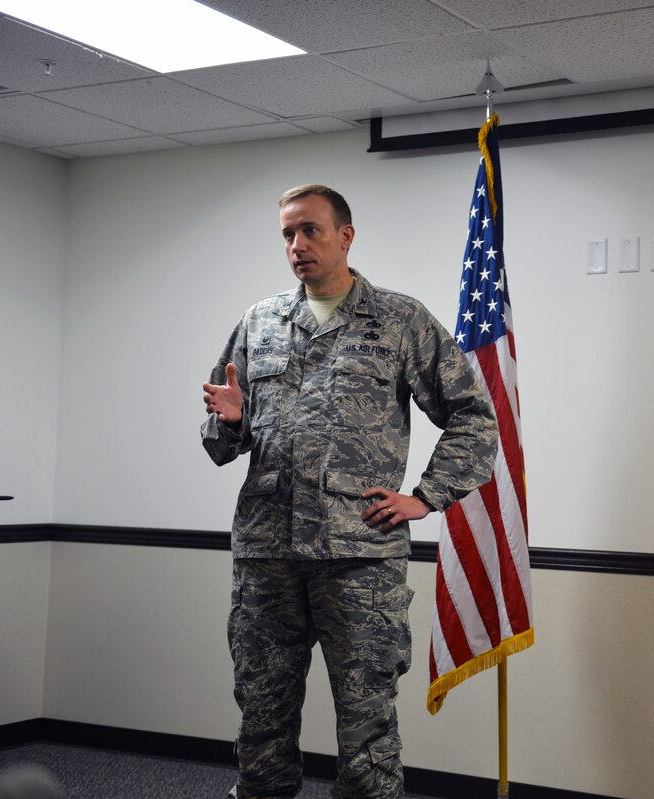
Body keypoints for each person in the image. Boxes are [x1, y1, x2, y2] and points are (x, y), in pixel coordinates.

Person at [201, 184, 498, 799]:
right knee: (261, 721)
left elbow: (474, 416)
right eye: (287, 233)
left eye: (310, 230)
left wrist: (427, 495)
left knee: (366, 736)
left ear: (345, 236)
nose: (297, 245)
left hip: (359, 558)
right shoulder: (259, 323)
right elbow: (220, 444)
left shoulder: (399, 320)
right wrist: (229, 423)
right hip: (268, 558)